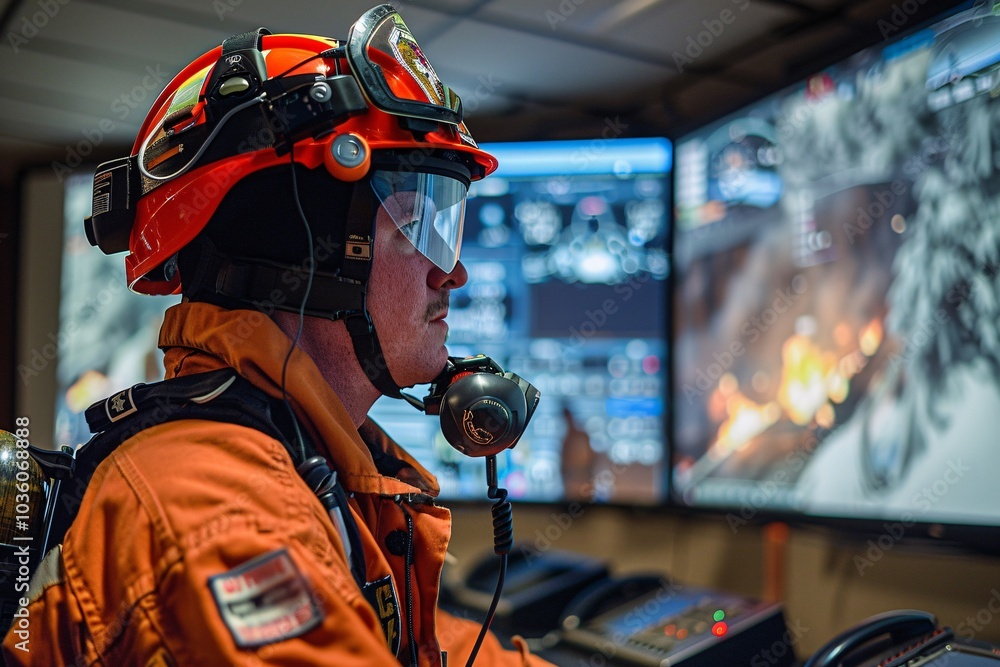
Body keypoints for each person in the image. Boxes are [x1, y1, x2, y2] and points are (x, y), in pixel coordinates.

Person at [3, 5, 554, 666]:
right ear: (306, 255)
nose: (454, 271)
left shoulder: (311, 466)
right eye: (418, 224)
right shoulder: (222, 509)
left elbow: (423, 644)